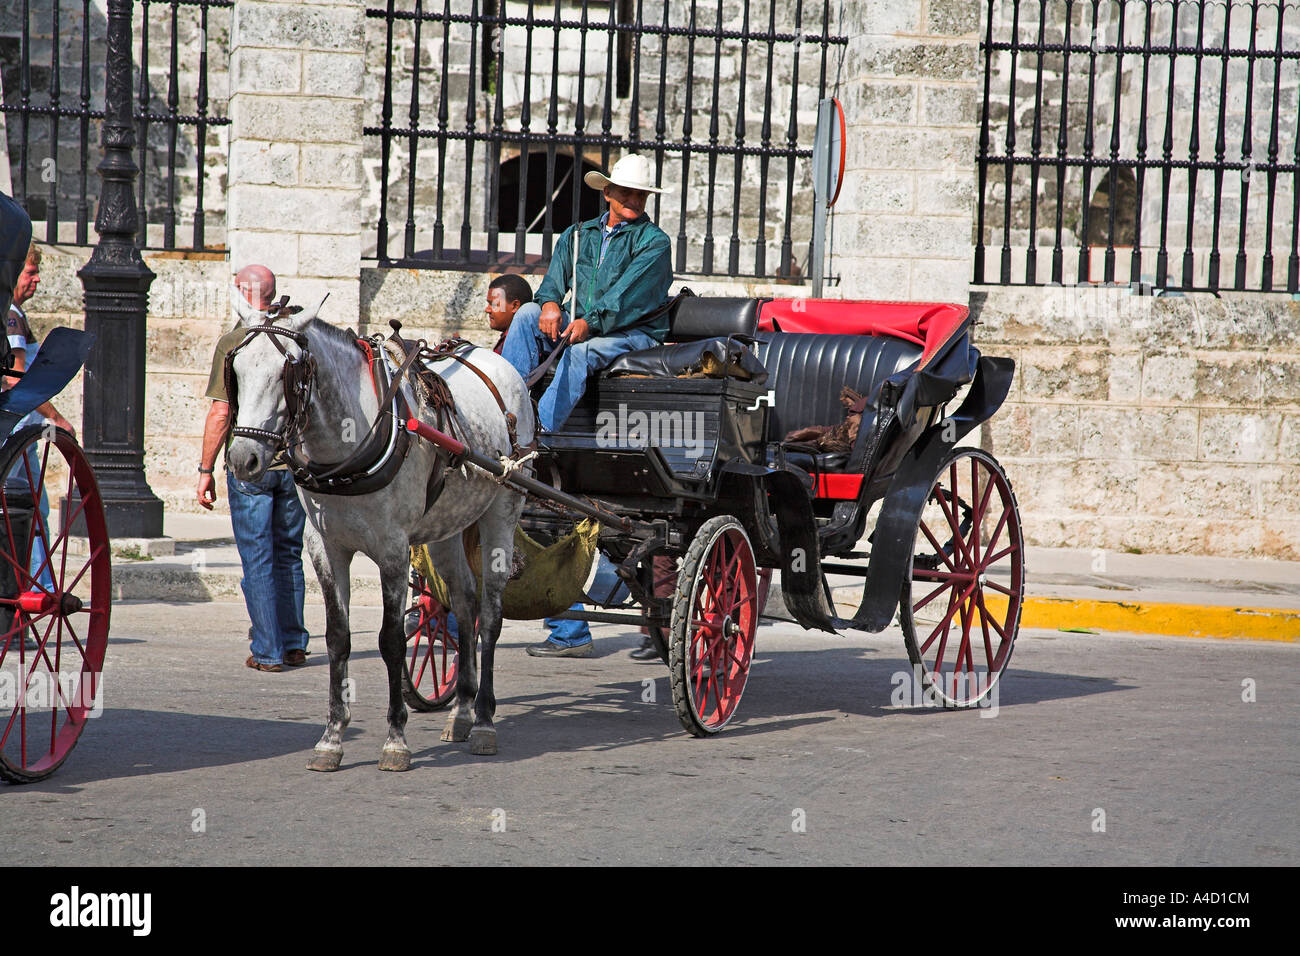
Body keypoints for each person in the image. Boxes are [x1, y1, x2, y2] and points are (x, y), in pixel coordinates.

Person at [499, 154, 673, 659]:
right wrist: (552, 303)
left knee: (579, 353)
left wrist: (589, 322)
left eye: (640, 196)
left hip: (632, 336)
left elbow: (626, 299)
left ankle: (537, 437)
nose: (634, 202)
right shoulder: (576, 236)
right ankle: (506, 403)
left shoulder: (654, 244)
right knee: (528, 311)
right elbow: (553, 286)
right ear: (608, 193)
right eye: (627, 194)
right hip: (583, 324)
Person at [197, 264, 310, 673]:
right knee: (288, 554)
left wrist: (204, 468)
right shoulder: (295, 337)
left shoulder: (236, 341)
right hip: (292, 462)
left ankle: (267, 650)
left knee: (258, 558)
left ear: (244, 293)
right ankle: (295, 643)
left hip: (250, 464)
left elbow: (220, 413)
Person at [3, 242, 76, 593]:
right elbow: (17, 378)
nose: (37, 280)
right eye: (31, 272)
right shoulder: (12, 316)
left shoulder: (13, 312)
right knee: (27, 508)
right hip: (18, 425)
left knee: (31, 508)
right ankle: (35, 587)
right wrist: (57, 419)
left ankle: (33, 583)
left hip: (18, 424)